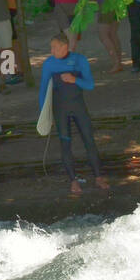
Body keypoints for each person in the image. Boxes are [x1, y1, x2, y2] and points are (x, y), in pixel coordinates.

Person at [39, 32, 108, 194]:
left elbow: (90, 85)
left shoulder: (79, 60)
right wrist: (45, 114)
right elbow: (43, 90)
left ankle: (98, 177)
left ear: (64, 47)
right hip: (60, 109)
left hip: (78, 106)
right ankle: (73, 181)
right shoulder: (49, 64)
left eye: (54, 47)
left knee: (89, 140)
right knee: (65, 144)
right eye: (51, 47)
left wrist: (74, 79)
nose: (52, 51)